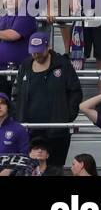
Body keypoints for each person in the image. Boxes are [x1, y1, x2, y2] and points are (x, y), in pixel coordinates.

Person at [10, 33, 81, 167]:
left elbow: (75, 92)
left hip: (56, 131)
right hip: (30, 130)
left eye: (39, 51)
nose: (36, 55)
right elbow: (16, 92)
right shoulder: (25, 65)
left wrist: (66, 116)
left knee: (55, 168)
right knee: (29, 168)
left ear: (48, 47)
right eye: (33, 52)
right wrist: (18, 116)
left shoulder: (63, 65)